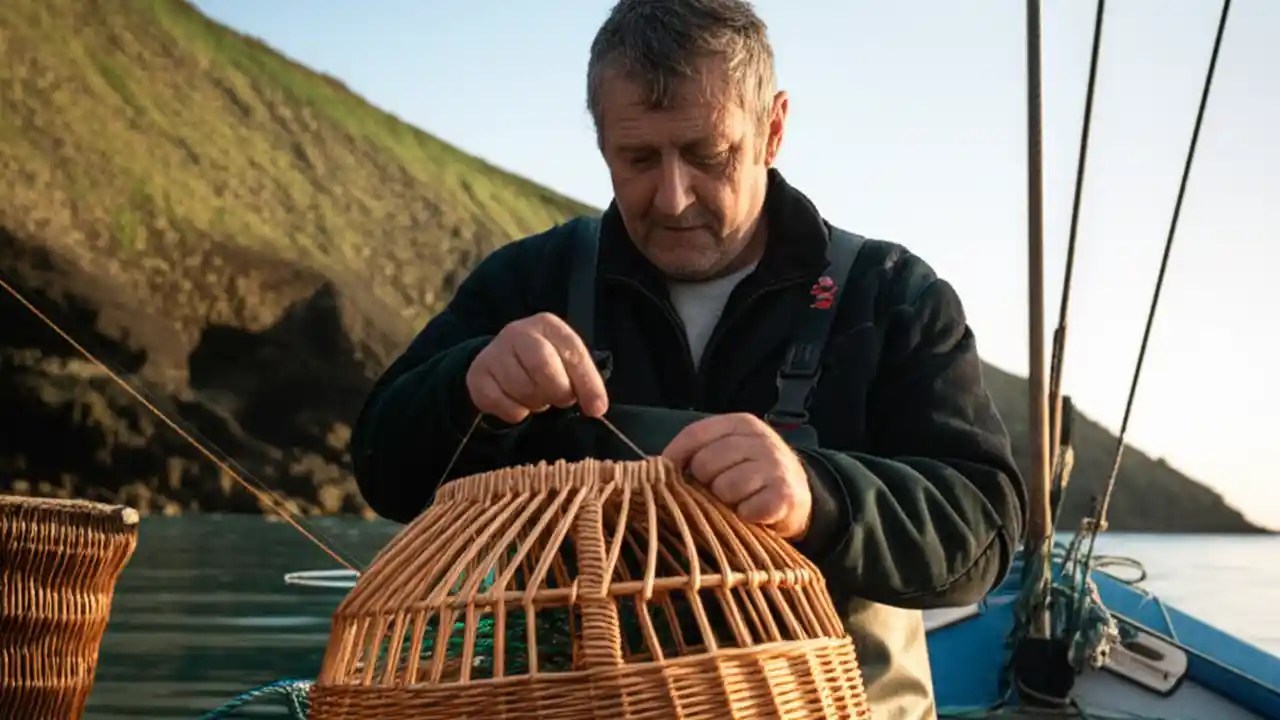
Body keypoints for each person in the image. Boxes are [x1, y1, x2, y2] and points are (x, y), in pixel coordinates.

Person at [350, 1, 1027, 717]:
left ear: (773, 128)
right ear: (601, 140)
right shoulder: (527, 282)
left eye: (708, 155)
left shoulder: (893, 297)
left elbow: (983, 528)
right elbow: (382, 469)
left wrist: (816, 496)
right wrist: (467, 391)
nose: (672, 199)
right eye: (638, 159)